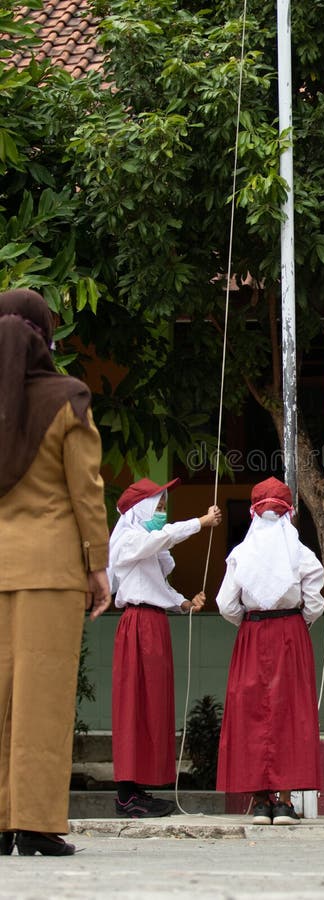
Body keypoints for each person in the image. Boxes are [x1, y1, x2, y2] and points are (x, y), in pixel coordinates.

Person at [0, 288, 111, 857]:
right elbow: (85, 492)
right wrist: (99, 567)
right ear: (45, 337)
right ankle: (37, 825)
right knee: (42, 698)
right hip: (50, 569)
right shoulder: (68, 399)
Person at [108, 477, 221, 817]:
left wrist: (184, 603)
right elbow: (163, 536)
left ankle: (138, 788)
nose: (161, 512)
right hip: (138, 625)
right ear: (139, 509)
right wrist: (200, 523)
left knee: (152, 705)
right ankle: (126, 793)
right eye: (156, 507)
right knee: (133, 706)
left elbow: (157, 585)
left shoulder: (145, 546)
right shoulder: (128, 540)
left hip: (154, 623)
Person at [215, 476, 324, 825]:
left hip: (252, 631)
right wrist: (297, 622)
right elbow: (315, 601)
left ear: (253, 513)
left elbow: (225, 604)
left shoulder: (241, 553)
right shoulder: (300, 552)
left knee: (251, 712)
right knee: (290, 711)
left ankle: (261, 802)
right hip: (290, 632)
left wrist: (249, 624)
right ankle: (286, 803)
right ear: (289, 513)